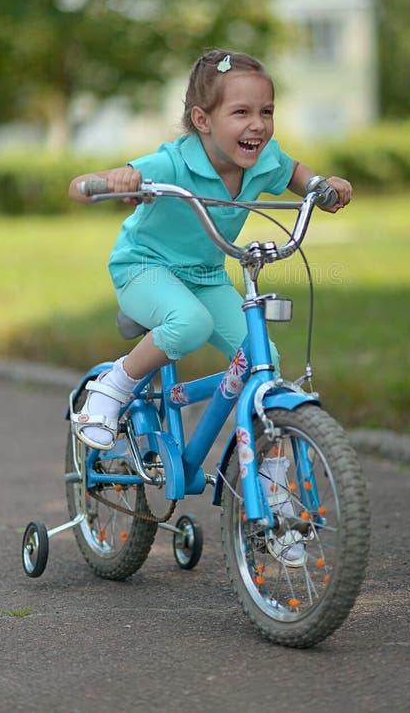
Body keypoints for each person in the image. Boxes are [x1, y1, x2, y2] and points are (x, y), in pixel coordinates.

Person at [69, 49, 351, 563]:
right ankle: (113, 387)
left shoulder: (263, 161)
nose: (258, 125)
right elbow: (82, 185)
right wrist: (121, 181)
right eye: (241, 113)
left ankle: (275, 495)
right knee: (189, 324)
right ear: (202, 120)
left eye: (266, 112)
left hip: (204, 274)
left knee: (265, 365)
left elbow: (296, 174)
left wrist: (323, 189)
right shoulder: (174, 161)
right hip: (144, 268)